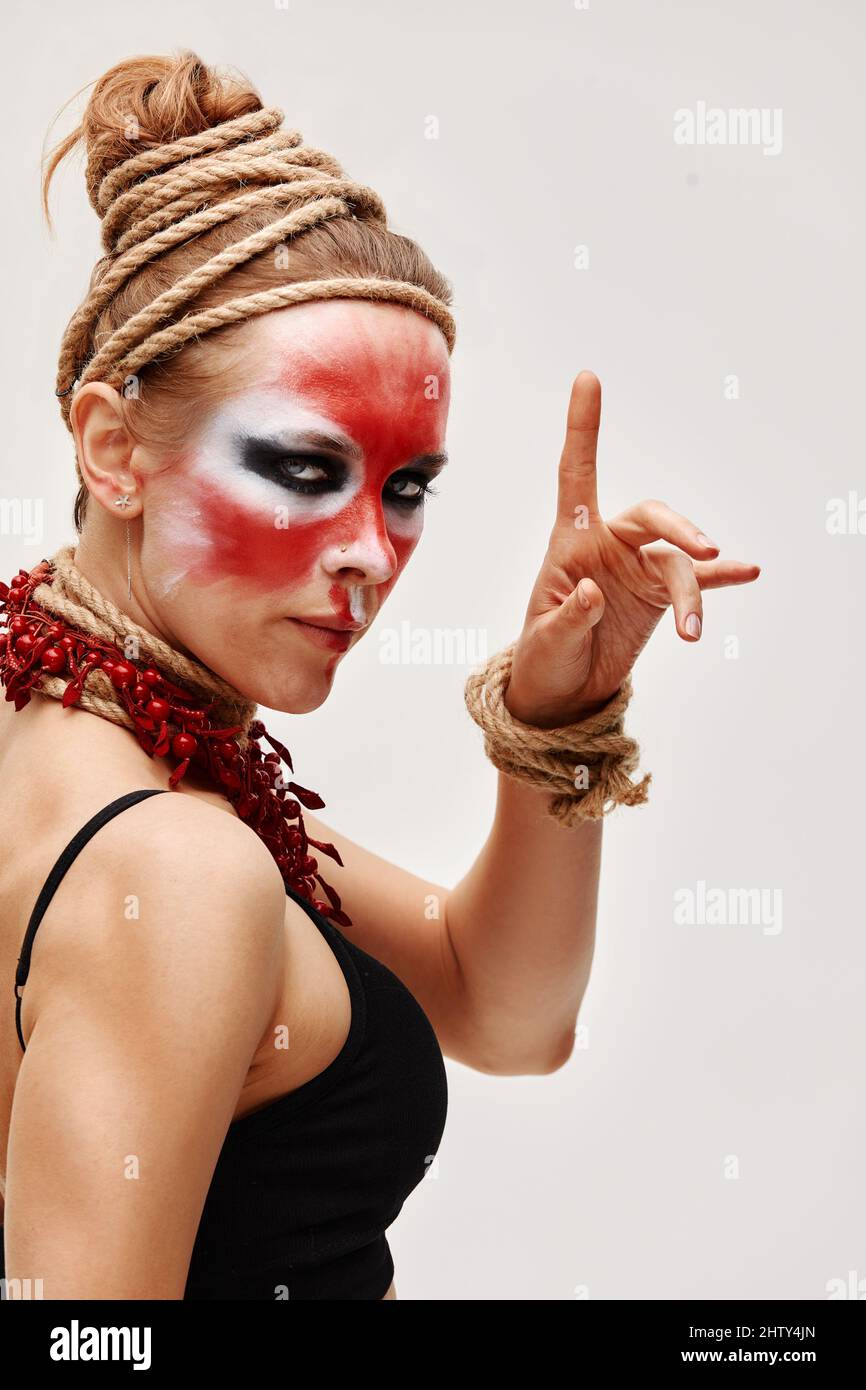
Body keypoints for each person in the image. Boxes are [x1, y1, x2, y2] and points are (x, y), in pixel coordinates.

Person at [0, 50, 760, 1301]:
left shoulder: (115, 755)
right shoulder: (170, 862)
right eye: (304, 468)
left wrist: (554, 715)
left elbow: (501, 1009)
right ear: (113, 446)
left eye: (405, 488)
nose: (369, 552)